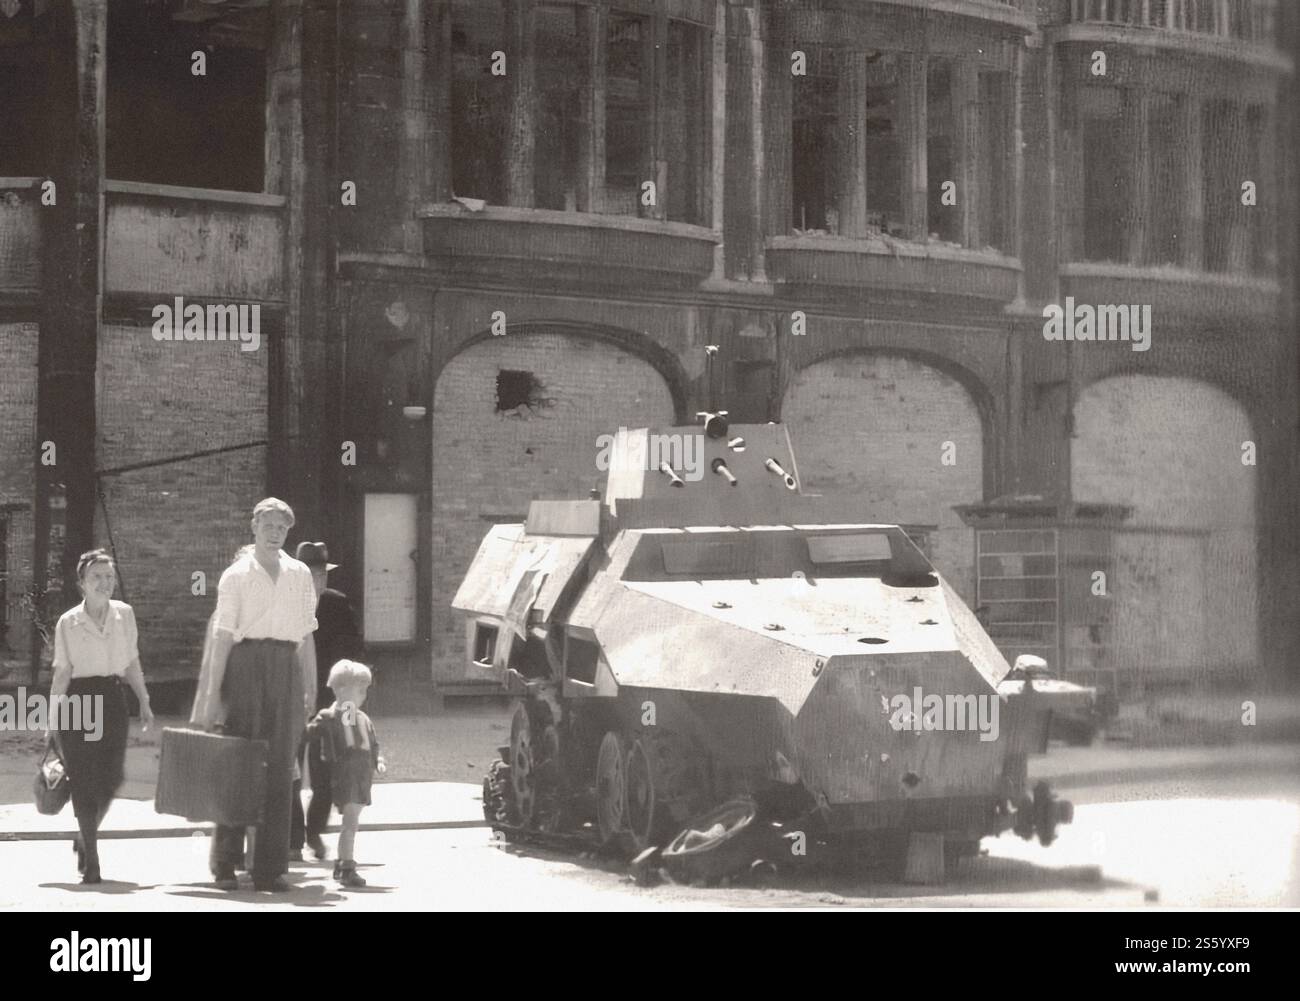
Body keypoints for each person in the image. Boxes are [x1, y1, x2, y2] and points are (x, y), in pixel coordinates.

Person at [192, 498, 318, 892]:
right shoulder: (236, 576)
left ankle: (269, 867)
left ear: (288, 531)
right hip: (245, 667)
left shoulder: (299, 574)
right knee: (239, 764)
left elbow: (305, 635)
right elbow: (223, 637)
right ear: (254, 526)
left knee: (281, 768)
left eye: (282, 526)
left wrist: (309, 686)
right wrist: (213, 693)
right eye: (268, 524)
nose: (274, 531)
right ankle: (226, 863)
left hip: (284, 668)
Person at [49, 549, 154, 884]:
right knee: (82, 778)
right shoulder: (68, 621)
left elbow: (133, 661)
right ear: (81, 583)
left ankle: (84, 837)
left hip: (112, 697)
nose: (104, 583)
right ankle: (92, 861)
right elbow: (62, 673)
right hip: (78, 702)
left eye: (109, 577)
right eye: (96, 577)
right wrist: (52, 722)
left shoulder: (125, 615)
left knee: (112, 777)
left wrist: (144, 701)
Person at [290, 541, 361, 862]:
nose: (319, 580)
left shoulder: (337, 605)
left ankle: (314, 833)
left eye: (323, 574)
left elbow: (352, 655)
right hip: (293, 699)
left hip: (327, 703)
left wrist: (348, 701)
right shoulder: (284, 605)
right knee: (290, 772)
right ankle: (292, 839)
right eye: (312, 574)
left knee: (325, 774)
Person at [304, 659, 386, 888]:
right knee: (350, 823)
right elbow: (339, 727)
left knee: (353, 822)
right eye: (359, 690)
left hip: (361, 778)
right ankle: (347, 865)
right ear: (341, 690)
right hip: (346, 777)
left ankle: (342, 863)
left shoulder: (362, 718)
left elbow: (371, 743)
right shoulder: (338, 716)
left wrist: (378, 759)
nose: (363, 695)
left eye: (365, 690)